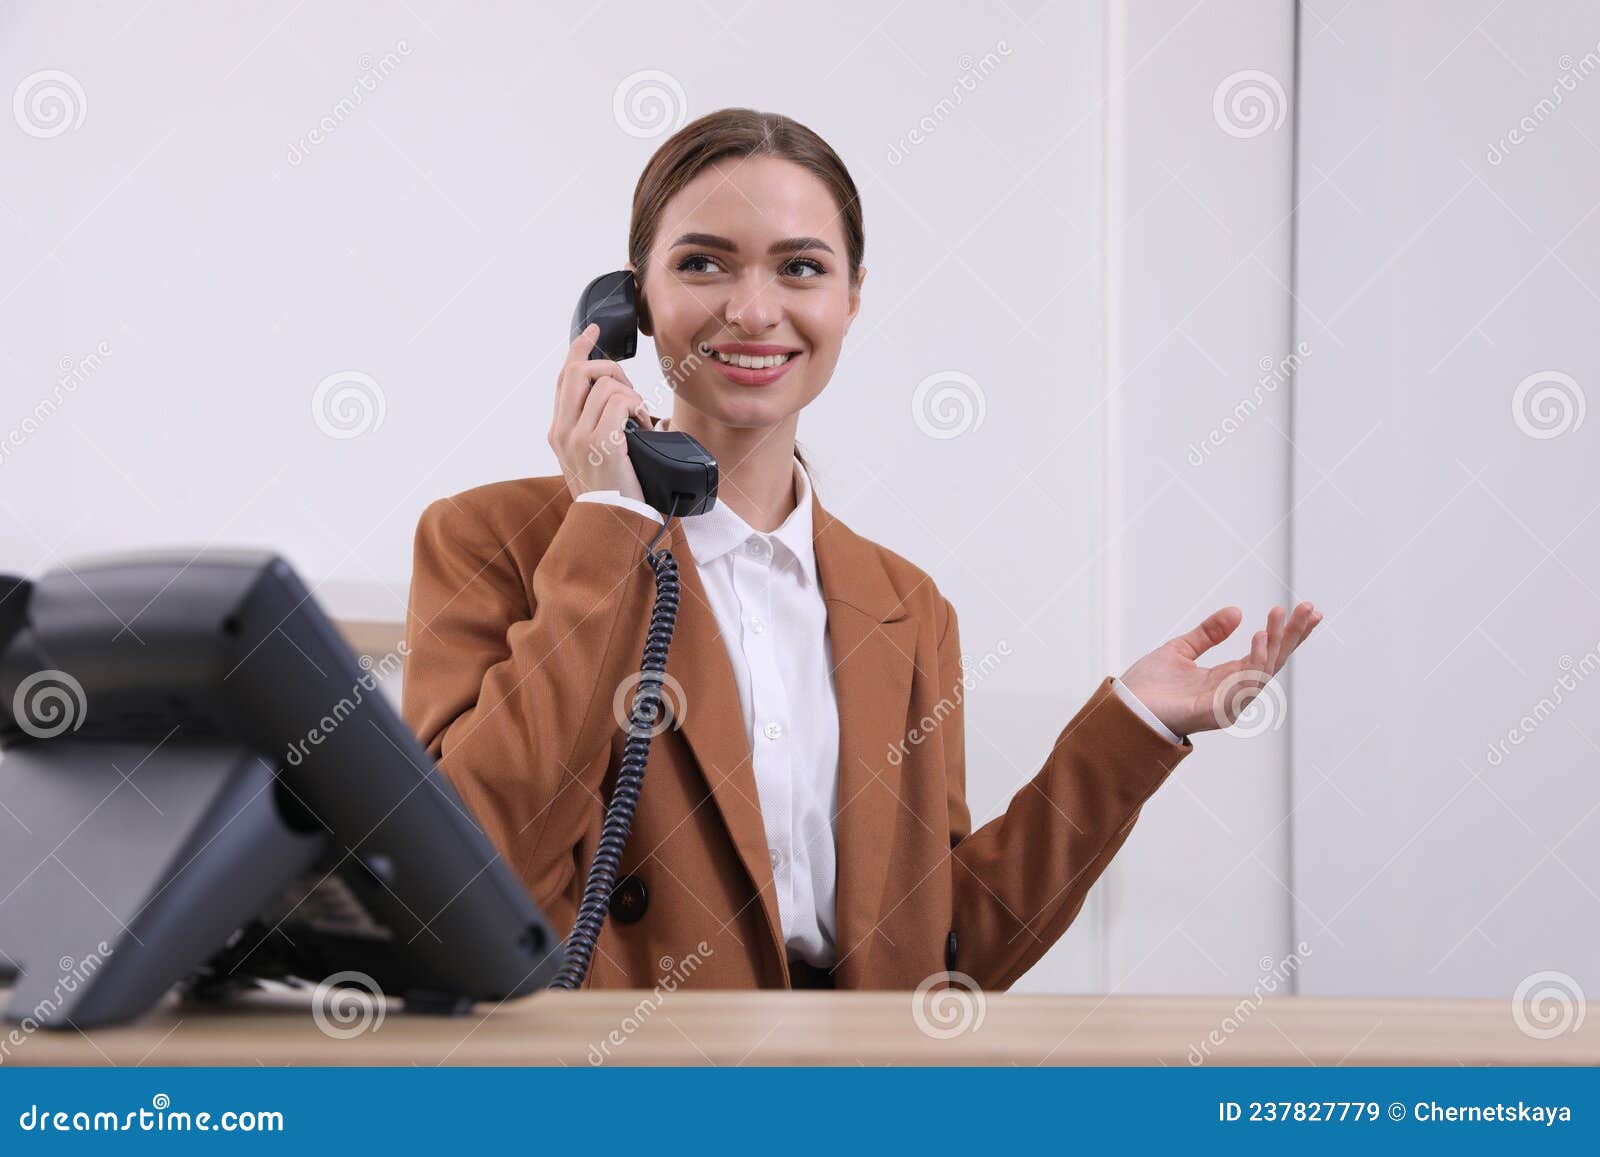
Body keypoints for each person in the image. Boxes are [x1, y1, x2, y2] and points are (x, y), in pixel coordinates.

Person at [400, 107, 1320, 991]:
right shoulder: (495, 541)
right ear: (631, 301)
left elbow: (943, 953)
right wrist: (608, 520)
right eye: (702, 263)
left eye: (800, 267)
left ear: (852, 298)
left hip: (855, 1074)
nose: (752, 310)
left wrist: (1132, 728)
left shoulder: (905, 605)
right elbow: (466, 879)